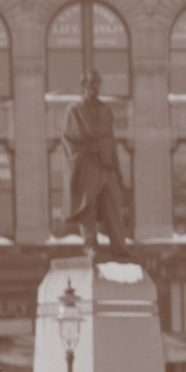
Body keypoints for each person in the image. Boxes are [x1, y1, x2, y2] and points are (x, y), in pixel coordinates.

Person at [62, 68, 130, 260]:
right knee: (87, 206)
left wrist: (117, 171)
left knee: (114, 205)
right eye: (90, 84)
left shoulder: (105, 111)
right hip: (88, 163)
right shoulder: (75, 110)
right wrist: (93, 142)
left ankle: (120, 247)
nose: (94, 88)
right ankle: (90, 246)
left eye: (97, 84)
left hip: (106, 165)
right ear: (83, 86)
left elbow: (111, 142)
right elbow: (71, 139)